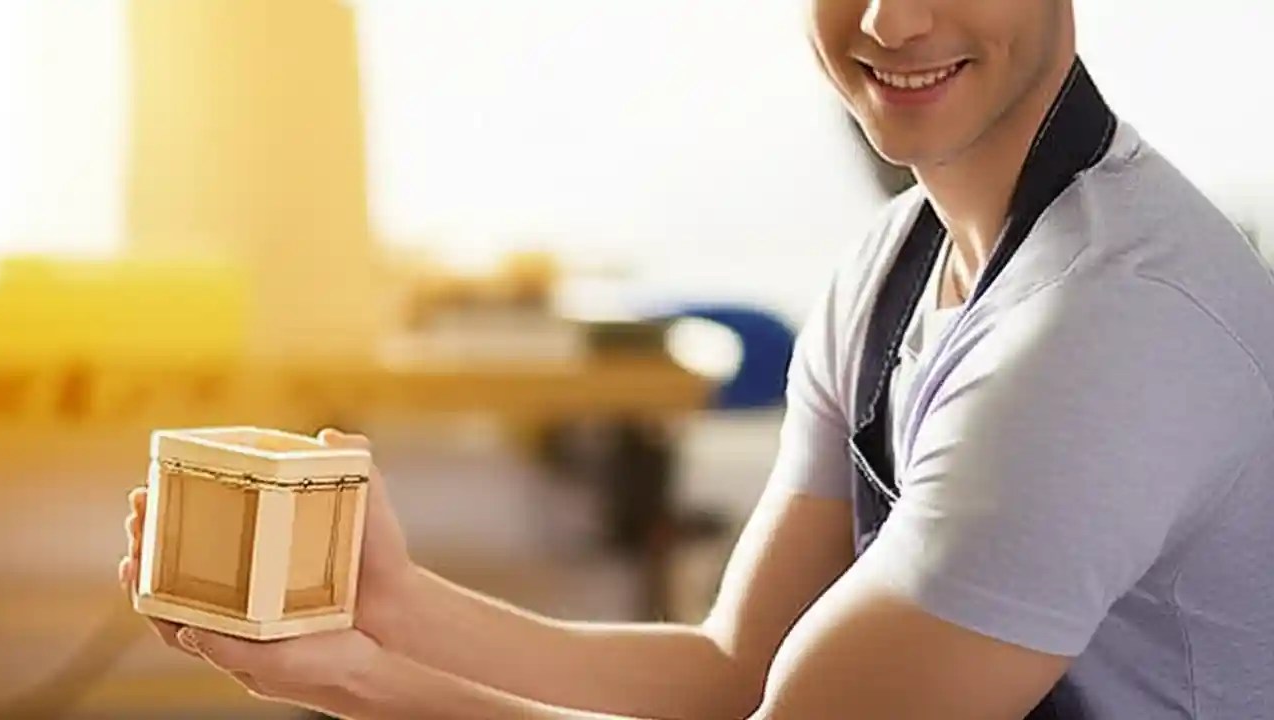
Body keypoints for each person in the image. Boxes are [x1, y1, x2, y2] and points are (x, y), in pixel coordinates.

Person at [120, 0, 1274, 717]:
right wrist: (395, 610)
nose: (889, 18)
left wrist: (365, 687)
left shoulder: (1099, 336)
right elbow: (736, 672)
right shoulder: (894, 262)